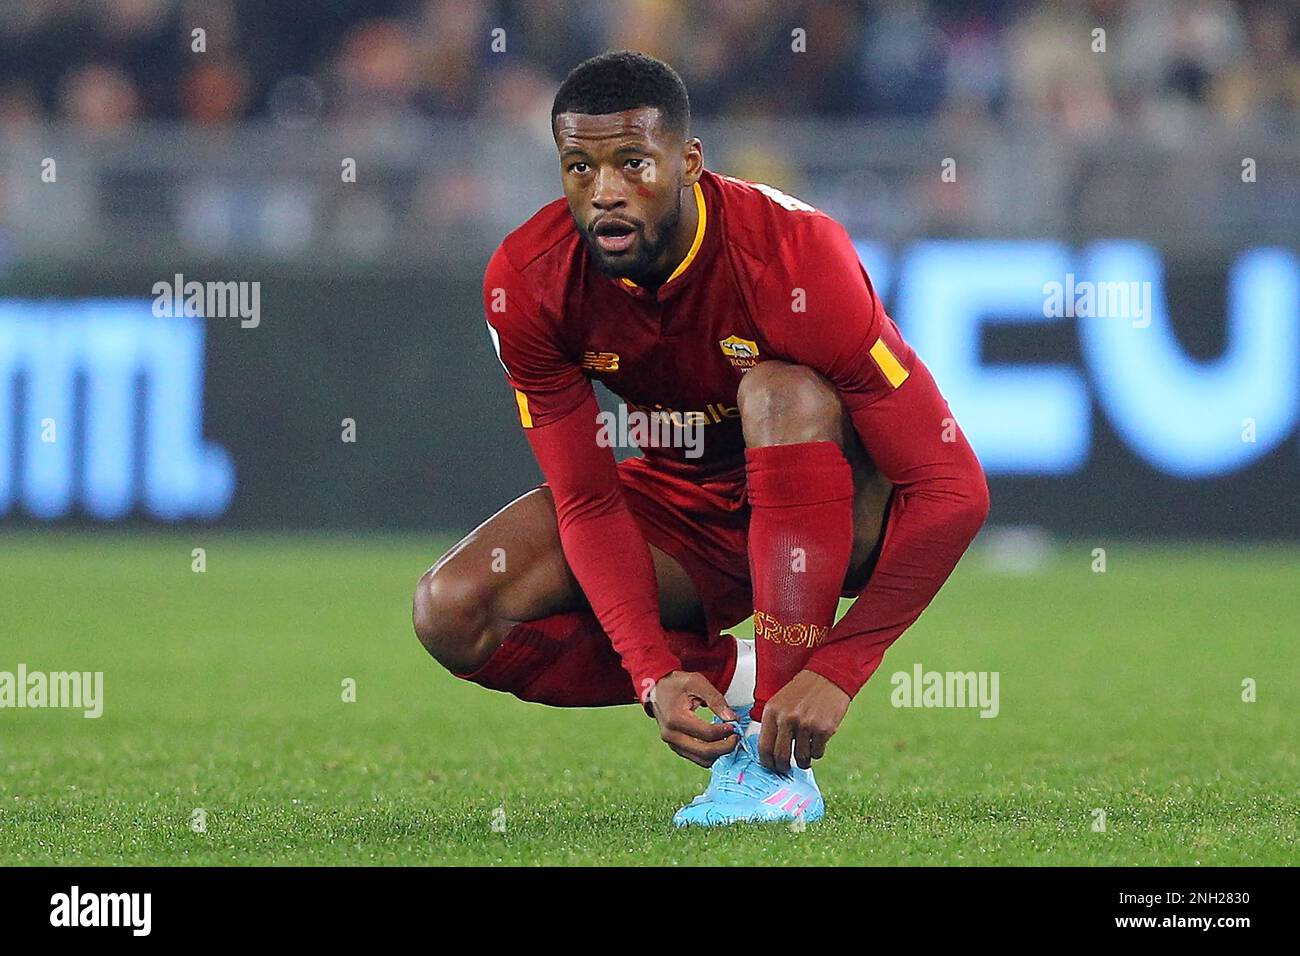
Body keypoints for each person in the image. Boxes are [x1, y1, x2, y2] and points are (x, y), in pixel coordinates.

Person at [414, 50, 989, 826]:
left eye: (632, 163)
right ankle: (746, 676)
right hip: (691, 500)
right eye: (578, 167)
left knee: (777, 391)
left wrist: (843, 667)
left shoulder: (792, 254)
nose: (605, 193)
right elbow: (587, 500)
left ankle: (773, 760)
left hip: (842, 507)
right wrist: (653, 673)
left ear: (688, 161)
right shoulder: (529, 282)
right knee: (452, 609)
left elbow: (953, 489)